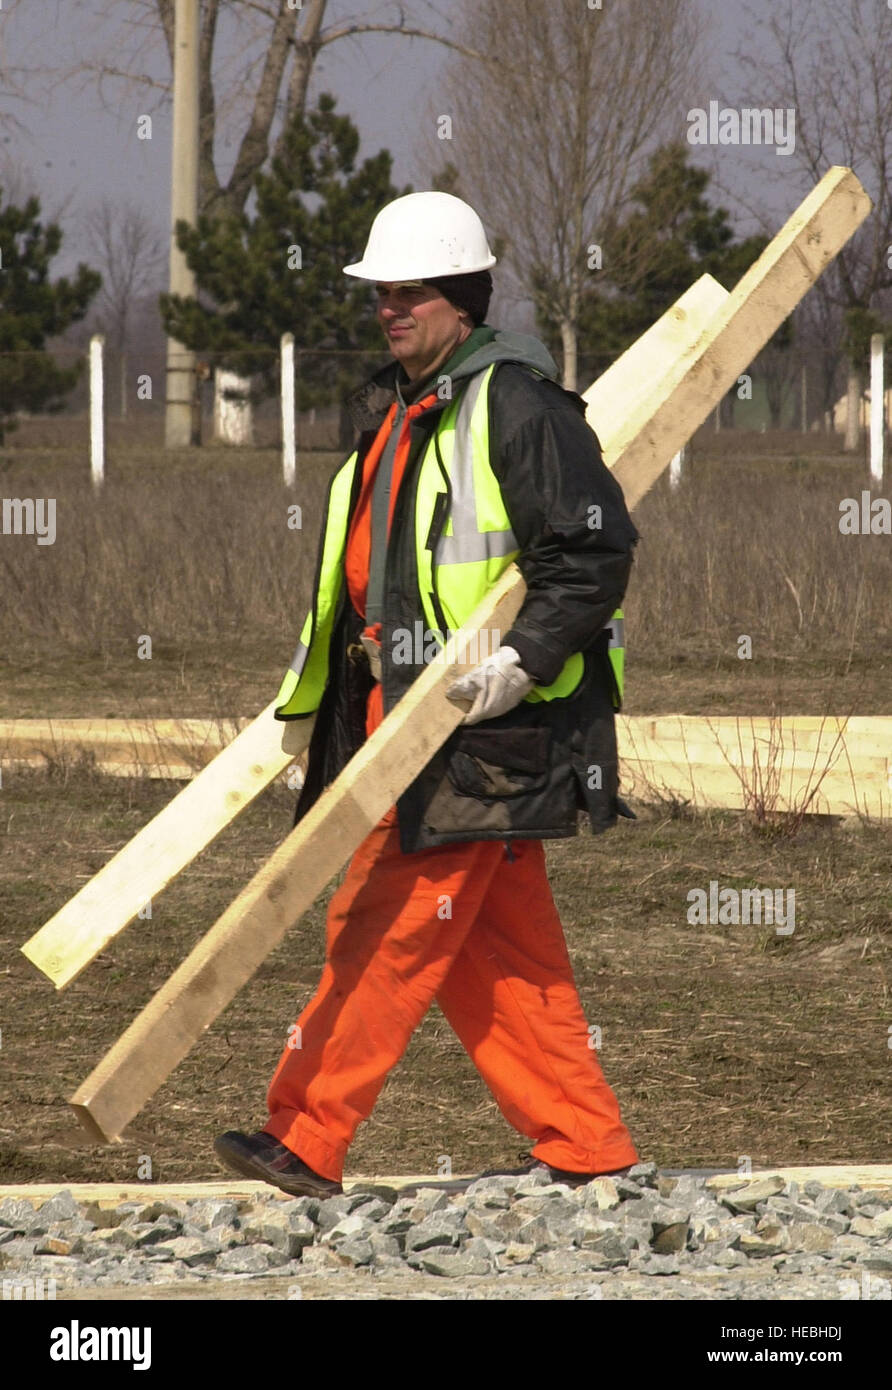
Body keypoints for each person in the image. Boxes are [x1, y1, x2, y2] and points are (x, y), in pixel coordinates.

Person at [214, 191, 641, 1198]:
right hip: (399, 718)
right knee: (499, 952)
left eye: (407, 294)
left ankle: (307, 1135)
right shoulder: (398, 410)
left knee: (386, 922)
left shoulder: (518, 406)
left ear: (459, 299)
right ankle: (586, 1147)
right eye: (379, 295)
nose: (387, 311)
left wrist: (521, 661)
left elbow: (591, 552)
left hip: (484, 729)